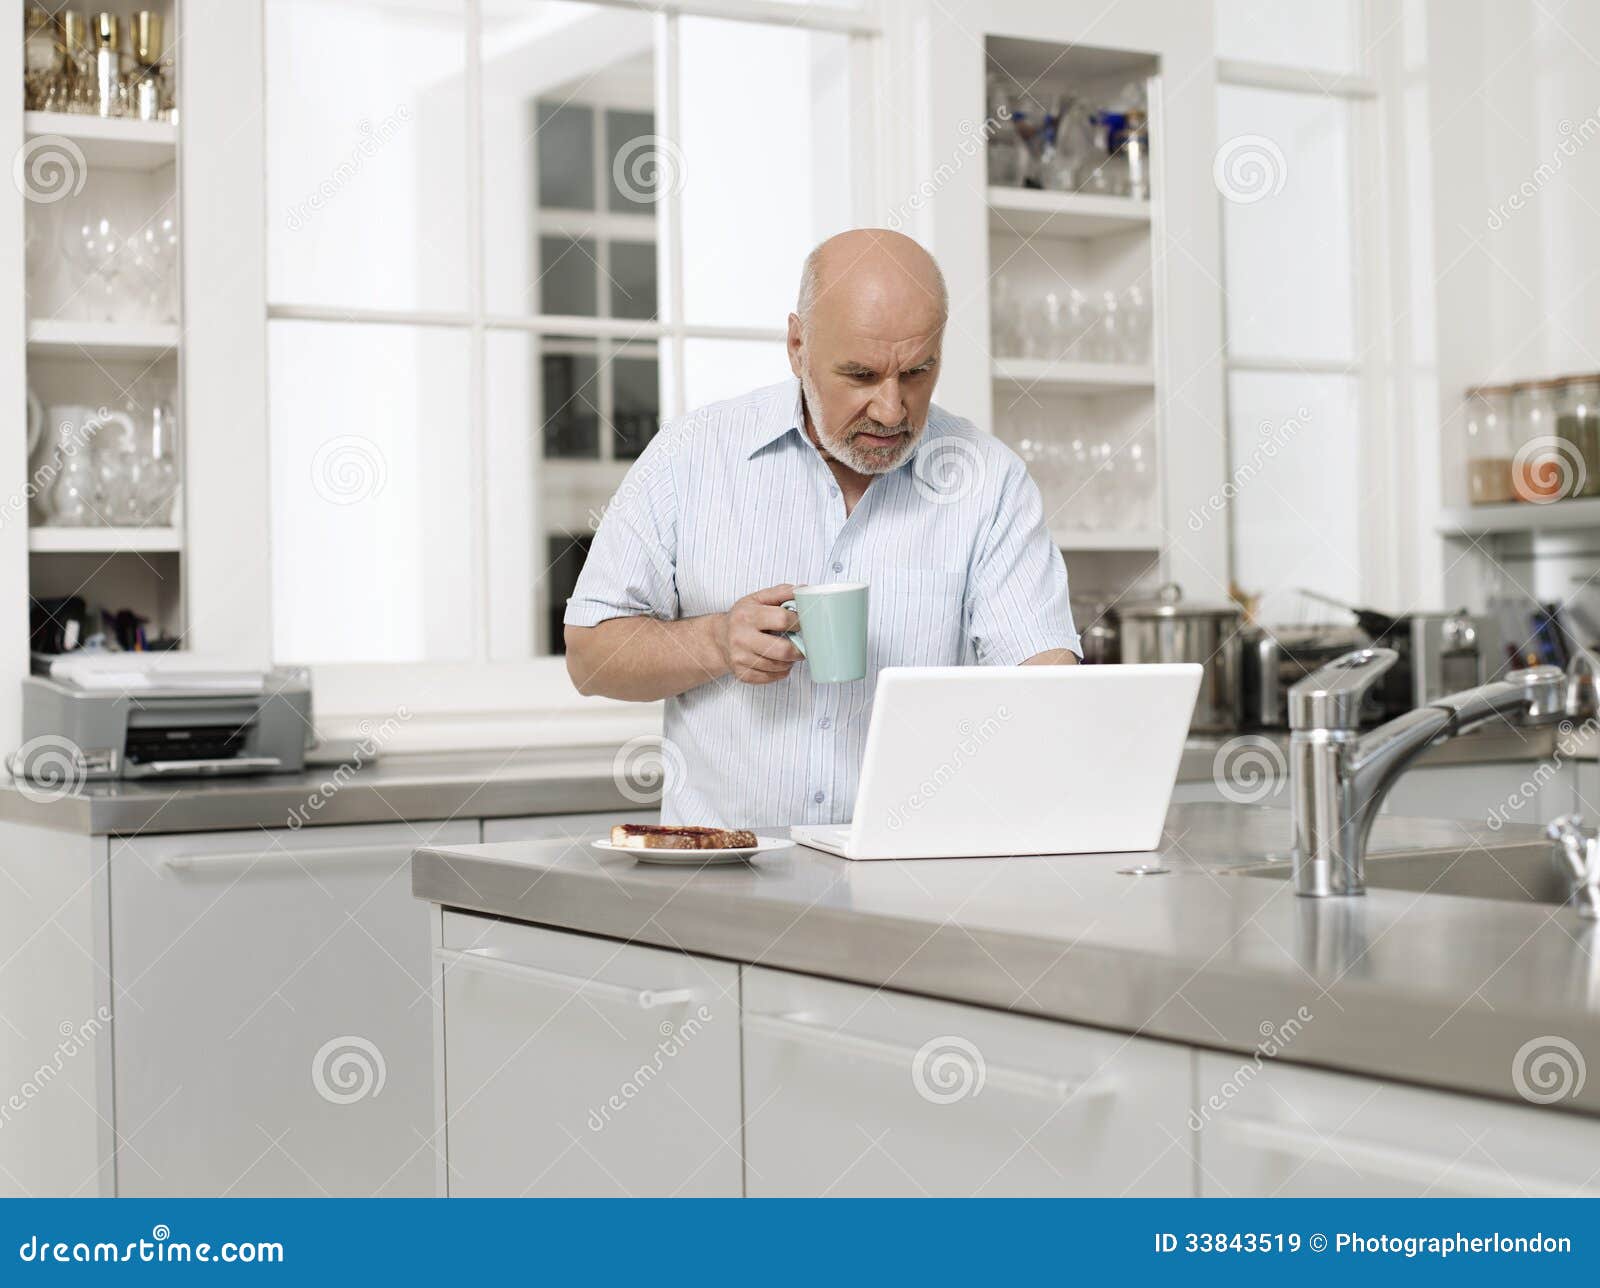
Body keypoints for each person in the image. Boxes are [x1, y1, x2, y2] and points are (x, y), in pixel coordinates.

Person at [565, 228, 1080, 825]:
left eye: (916, 372)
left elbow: (1045, 690)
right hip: (726, 881)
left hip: (913, 880)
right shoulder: (690, 456)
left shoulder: (989, 480)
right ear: (797, 345)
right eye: (861, 376)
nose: (892, 410)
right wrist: (714, 642)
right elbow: (590, 657)